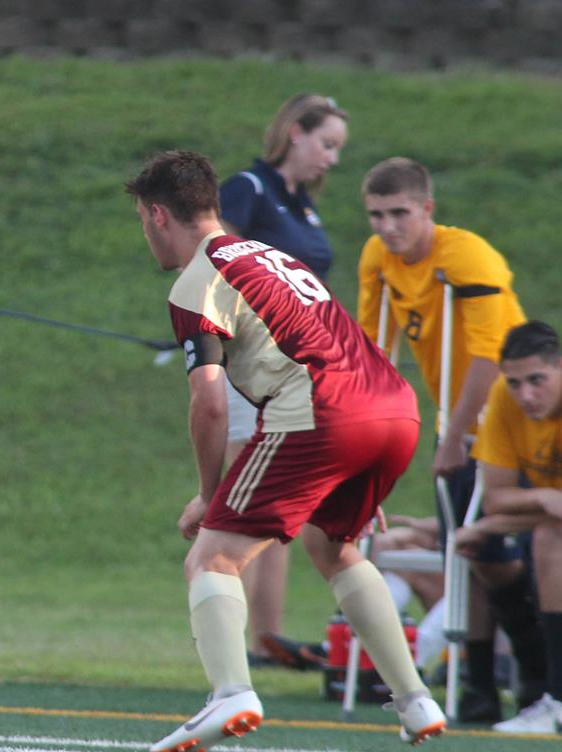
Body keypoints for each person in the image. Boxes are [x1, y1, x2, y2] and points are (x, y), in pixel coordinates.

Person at [126, 150, 444, 750]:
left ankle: (231, 693)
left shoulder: (198, 280)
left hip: (324, 415)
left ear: (158, 214)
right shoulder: (275, 257)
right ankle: (414, 698)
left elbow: (209, 402)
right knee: (335, 547)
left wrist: (209, 495)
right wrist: (353, 461)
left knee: (212, 559)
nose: (146, 234)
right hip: (393, 410)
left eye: (143, 220)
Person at [355, 157, 542, 721]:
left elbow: (488, 355)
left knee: (493, 555)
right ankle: (480, 686)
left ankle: (534, 673)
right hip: (456, 421)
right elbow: (372, 346)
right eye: (376, 215)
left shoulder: (465, 257)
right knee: (466, 553)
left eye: (400, 213)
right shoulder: (378, 258)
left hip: (510, 420)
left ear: (427, 209)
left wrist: (453, 437)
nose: (388, 227)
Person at [218, 94, 350, 669]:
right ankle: (233, 637)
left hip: (299, 368)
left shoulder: (302, 206)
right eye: (327, 143)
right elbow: (216, 265)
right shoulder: (248, 188)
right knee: (247, 502)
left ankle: (266, 639)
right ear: (295, 133)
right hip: (253, 364)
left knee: (278, 505)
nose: (332, 158)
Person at [457, 321, 562, 735]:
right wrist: (542, 498)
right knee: (484, 554)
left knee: (550, 539)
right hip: (546, 523)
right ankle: (531, 689)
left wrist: (493, 524)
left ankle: (556, 699)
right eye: (515, 383)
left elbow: (501, 511)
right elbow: (496, 496)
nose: (525, 395)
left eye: (537, 380)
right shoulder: (503, 397)